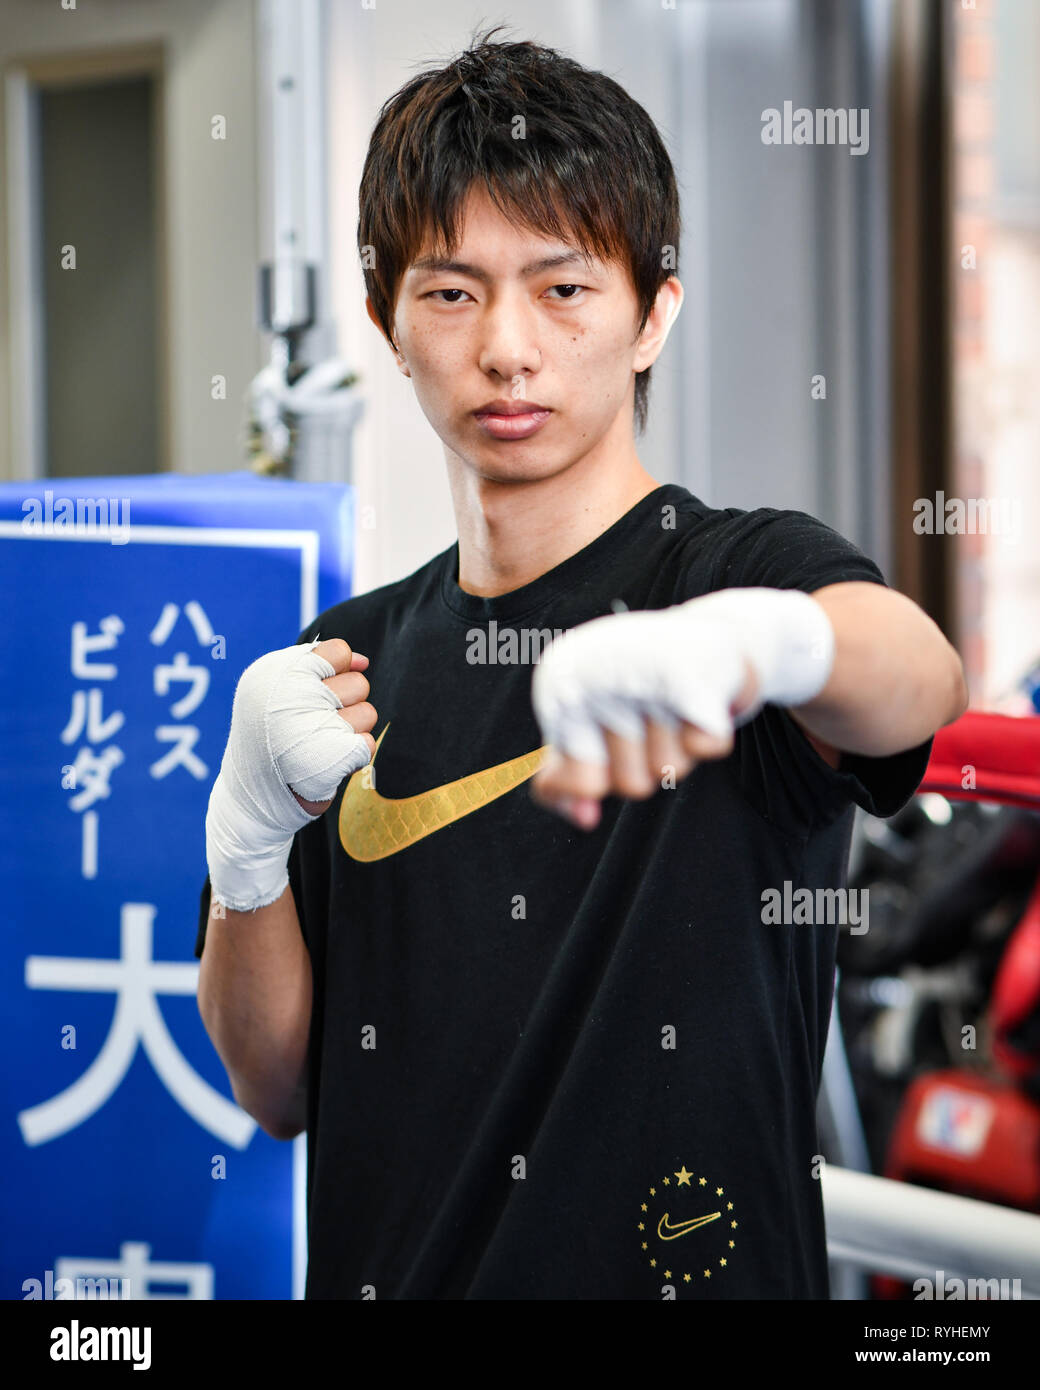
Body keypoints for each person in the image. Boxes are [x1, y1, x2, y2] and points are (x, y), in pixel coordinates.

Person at [194, 27, 968, 1299]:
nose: (507, 346)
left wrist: (756, 638)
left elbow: (915, 675)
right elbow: (271, 1083)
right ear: (389, 317)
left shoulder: (729, 569)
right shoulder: (344, 661)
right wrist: (243, 844)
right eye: (451, 291)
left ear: (652, 312)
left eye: (562, 288)